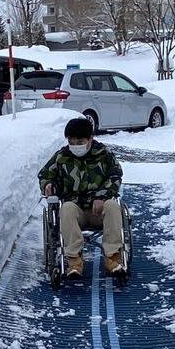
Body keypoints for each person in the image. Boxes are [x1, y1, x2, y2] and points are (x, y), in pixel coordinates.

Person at [39, 115, 125, 277]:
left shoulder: (103, 155)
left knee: (113, 206)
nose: (75, 146)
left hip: (99, 209)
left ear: (90, 139)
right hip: (76, 211)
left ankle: (113, 257)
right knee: (67, 208)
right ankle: (74, 260)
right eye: (71, 143)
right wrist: (48, 185)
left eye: (80, 143)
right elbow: (45, 175)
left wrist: (102, 196)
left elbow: (115, 175)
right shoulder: (62, 157)